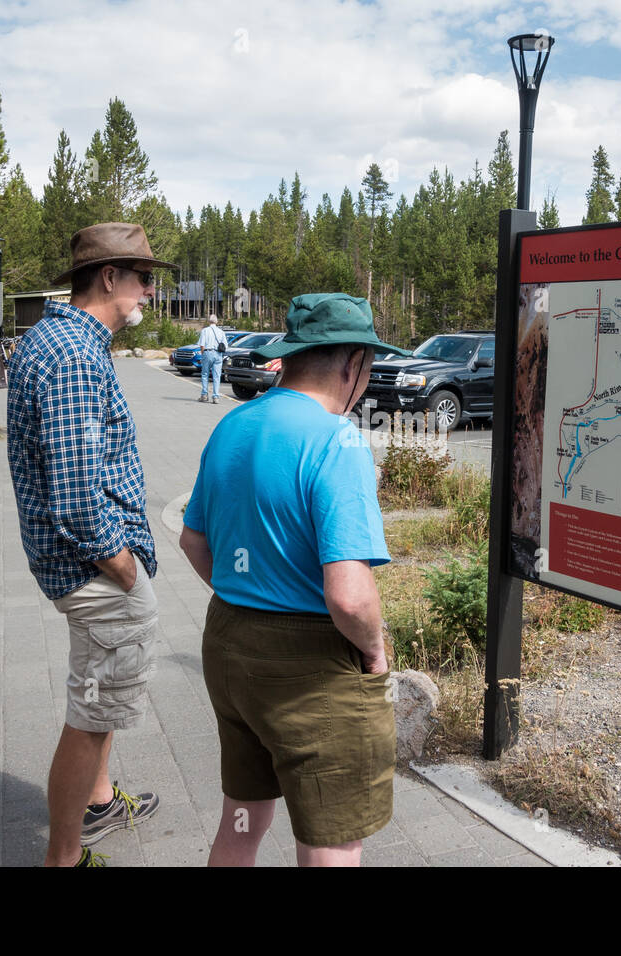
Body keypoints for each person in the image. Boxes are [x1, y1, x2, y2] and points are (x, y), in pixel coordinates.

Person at [179, 293, 411, 867]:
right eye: (370, 364)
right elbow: (349, 596)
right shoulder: (340, 440)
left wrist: (248, 598)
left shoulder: (233, 424)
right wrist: (376, 654)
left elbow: (193, 540)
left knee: (242, 814)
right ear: (353, 363)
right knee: (332, 835)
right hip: (312, 669)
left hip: (230, 643)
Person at [6, 222, 177, 867]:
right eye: (143, 280)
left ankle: (99, 802)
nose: (149, 294)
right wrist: (124, 566)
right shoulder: (76, 351)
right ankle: (64, 856)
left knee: (102, 700)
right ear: (109, 279)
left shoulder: (54, 339)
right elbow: (76, 494)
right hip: (95, 570)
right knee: (92, 712)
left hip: (78, 564)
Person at [197, 315, 229, 403]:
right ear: (216, 322)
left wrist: (203, 354)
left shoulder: (205, 331)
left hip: (208, 352)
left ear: (209, 321)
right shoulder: (221, 332)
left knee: (205, 374)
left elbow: (202, 345)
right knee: (217, 376)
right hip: (218, 354)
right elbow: (225, 345)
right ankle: (216, 397)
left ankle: (204, 395)